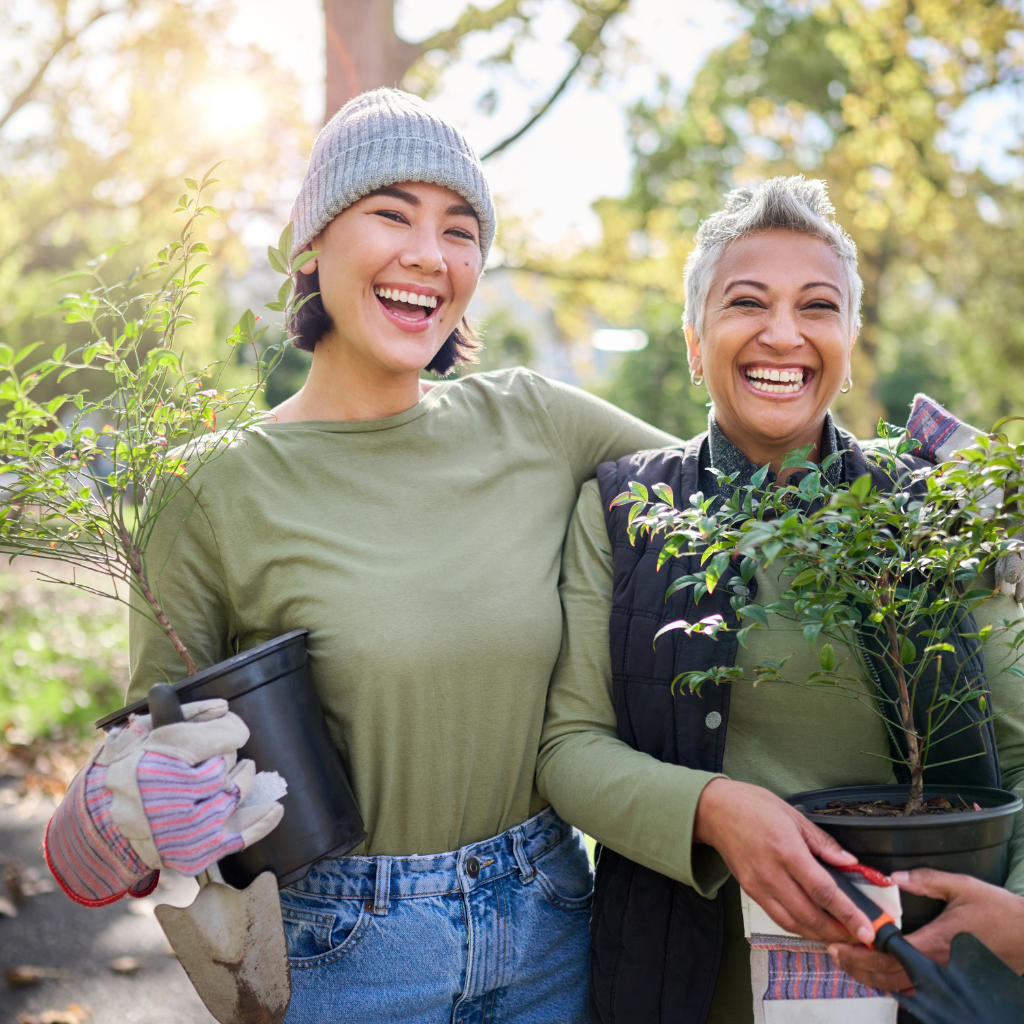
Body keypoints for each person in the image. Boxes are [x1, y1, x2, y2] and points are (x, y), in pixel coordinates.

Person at [42, 88, 680, 1024]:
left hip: (553, 917)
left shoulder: (537, 421)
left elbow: (728, 494)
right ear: (311, 243)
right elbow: (148, 763)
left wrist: (933, 487)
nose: (430, 253)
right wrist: (123, 809)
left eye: (460, 229)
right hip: (342, 952)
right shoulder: (208, 488)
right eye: (391, 213)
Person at [534, 176, 1024, 1023]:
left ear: (851, 339)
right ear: (696, 344)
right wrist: (713, 810)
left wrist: (1017, 917)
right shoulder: (621, 511)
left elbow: (1017, 751)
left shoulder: (938, 508)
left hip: (933, 963)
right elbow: (569, 745)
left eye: (818, 307)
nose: (783, 334)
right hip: (684, 972)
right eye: (747, 302)